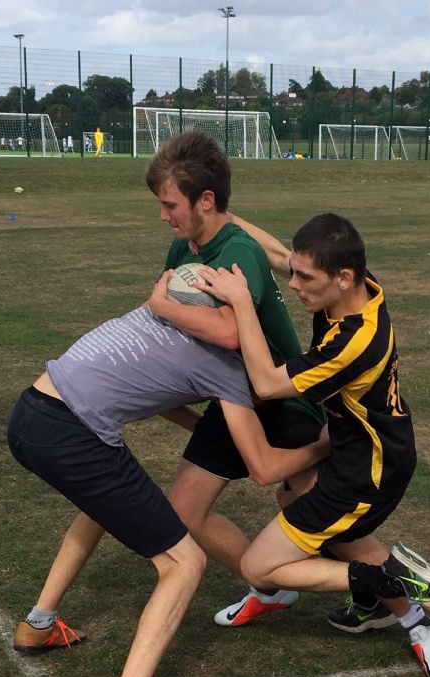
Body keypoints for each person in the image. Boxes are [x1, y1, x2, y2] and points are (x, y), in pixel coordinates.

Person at [8, 303, 329, 677]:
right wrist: (321, 447)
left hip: (30, 414)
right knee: (184, 563)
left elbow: (167, 391)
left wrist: (201, 426)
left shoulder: (170, 314)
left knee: (103, 506)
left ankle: (38, 623)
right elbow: (263, 467)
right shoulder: (232, 371)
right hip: (73, 437)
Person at [194, 213, 430, 677]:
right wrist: (223, 219)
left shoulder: (353, 342)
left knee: (259, 565)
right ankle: (370, 606)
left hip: (369, 471)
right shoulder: (357, 285)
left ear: (342, 277)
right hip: (354, 444)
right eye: (296, 274)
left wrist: (239, 300)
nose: (293, 285)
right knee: (295, 498)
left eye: (305, 278)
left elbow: (266, 382)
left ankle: (410, 606)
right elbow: (279, 255)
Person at [144, 131, 328, 627]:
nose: (163, 216)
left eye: (170, 205)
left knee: (320, 510)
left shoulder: (239, 252)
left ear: (205, 201)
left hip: (284, 398)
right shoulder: (183, 251)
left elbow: (229, 332)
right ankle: (270, 587)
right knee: (185, 513)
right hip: (234, 398)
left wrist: (161, 306)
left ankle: (409, 610)